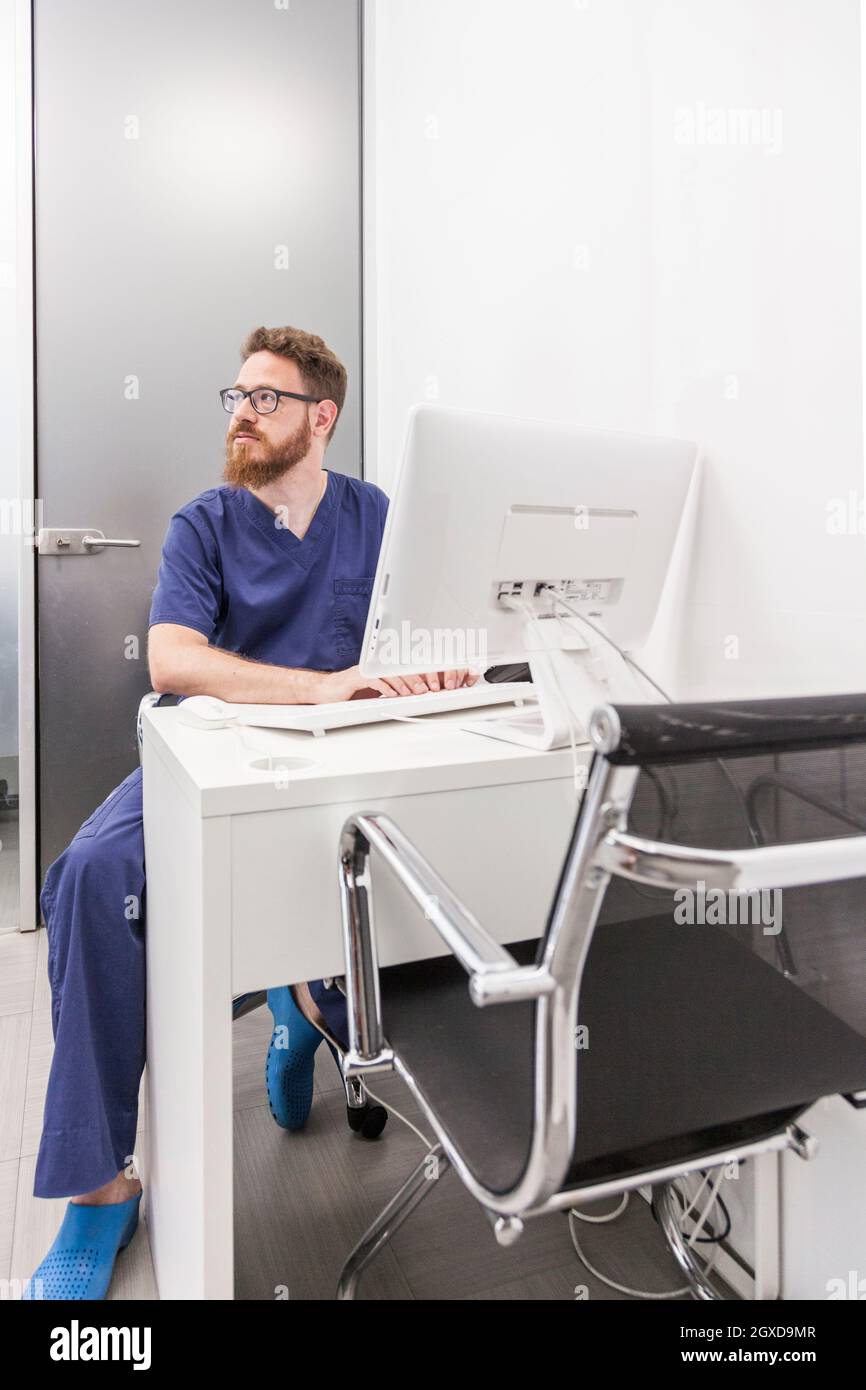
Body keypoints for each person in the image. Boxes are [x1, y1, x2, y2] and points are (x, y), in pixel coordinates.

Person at [25, 325, 477, 1300]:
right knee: (100, 876)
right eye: (232, 395)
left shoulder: (377, 516)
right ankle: (102, 1188)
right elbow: (174, 663)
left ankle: (308, 1003)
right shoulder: (203, 523)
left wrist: (428, 666)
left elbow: (406, 636)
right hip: (208, 756)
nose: (239, 411)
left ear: (321, 417)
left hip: (342, 765)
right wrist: (310, 690)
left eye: (263, 397)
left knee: (400, 892)